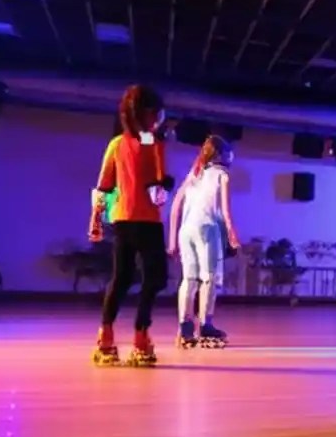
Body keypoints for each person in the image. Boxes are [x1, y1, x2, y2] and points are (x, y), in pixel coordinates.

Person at [89, 84, 173, 367]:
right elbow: (157, 189)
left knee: (122, 279)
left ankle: (106, 338)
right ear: (148, 113)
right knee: (155, 278)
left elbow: (103, 186)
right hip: (147, 220)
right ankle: (141, 336)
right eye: (156, 112)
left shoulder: (115, 144)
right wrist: (163, 183)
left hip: (122, 219)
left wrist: (96, 220)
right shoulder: (151, 141)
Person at [168, 135, 241, 349]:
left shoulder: (194, 174)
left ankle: (184, 326)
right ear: (221, 154)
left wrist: (172, 240)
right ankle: (206, 325)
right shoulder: (222, 174)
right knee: (209, 278)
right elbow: (225, 211)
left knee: (189, 279)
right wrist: (232, 234)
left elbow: (175, 206)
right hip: (207, 229)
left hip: (186, 230)